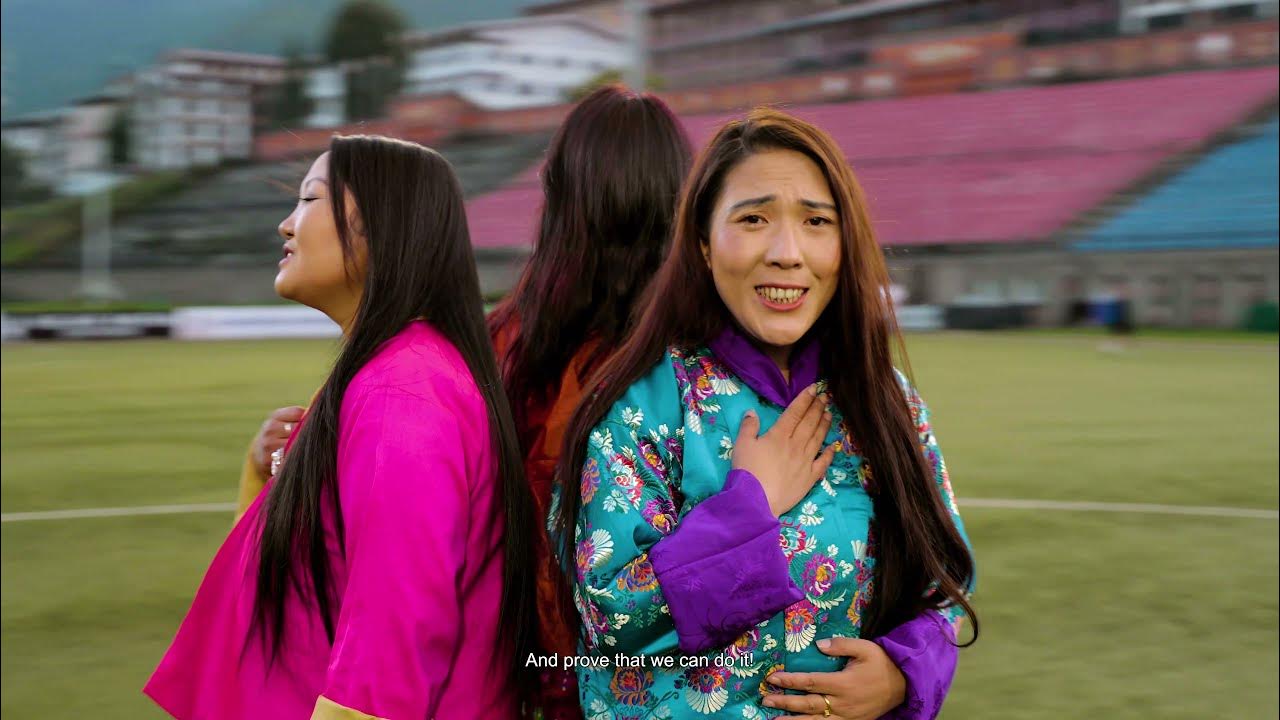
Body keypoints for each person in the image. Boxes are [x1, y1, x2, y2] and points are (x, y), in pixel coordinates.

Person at [552, 109, 978, 719]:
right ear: (703, 242)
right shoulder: (642, 404)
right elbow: (606, 620)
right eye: (752, 219)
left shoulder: (887, 400)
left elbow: (947, 583)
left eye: (816, 222)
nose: (787, 253)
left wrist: (902, 673)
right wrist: (748, 506)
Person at [145, 135, 536, 719]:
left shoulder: (403, 391)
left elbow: (393, 636)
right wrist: (267, 468)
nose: (286, 224)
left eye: (309, 199)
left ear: (378, 226)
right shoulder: (394, 372)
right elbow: (320, 563)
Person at [487, 85, 693, 719]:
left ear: (560, 199)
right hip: (686, 687)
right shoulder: (708, 355)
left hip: (534, 679)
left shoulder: (503, 344)